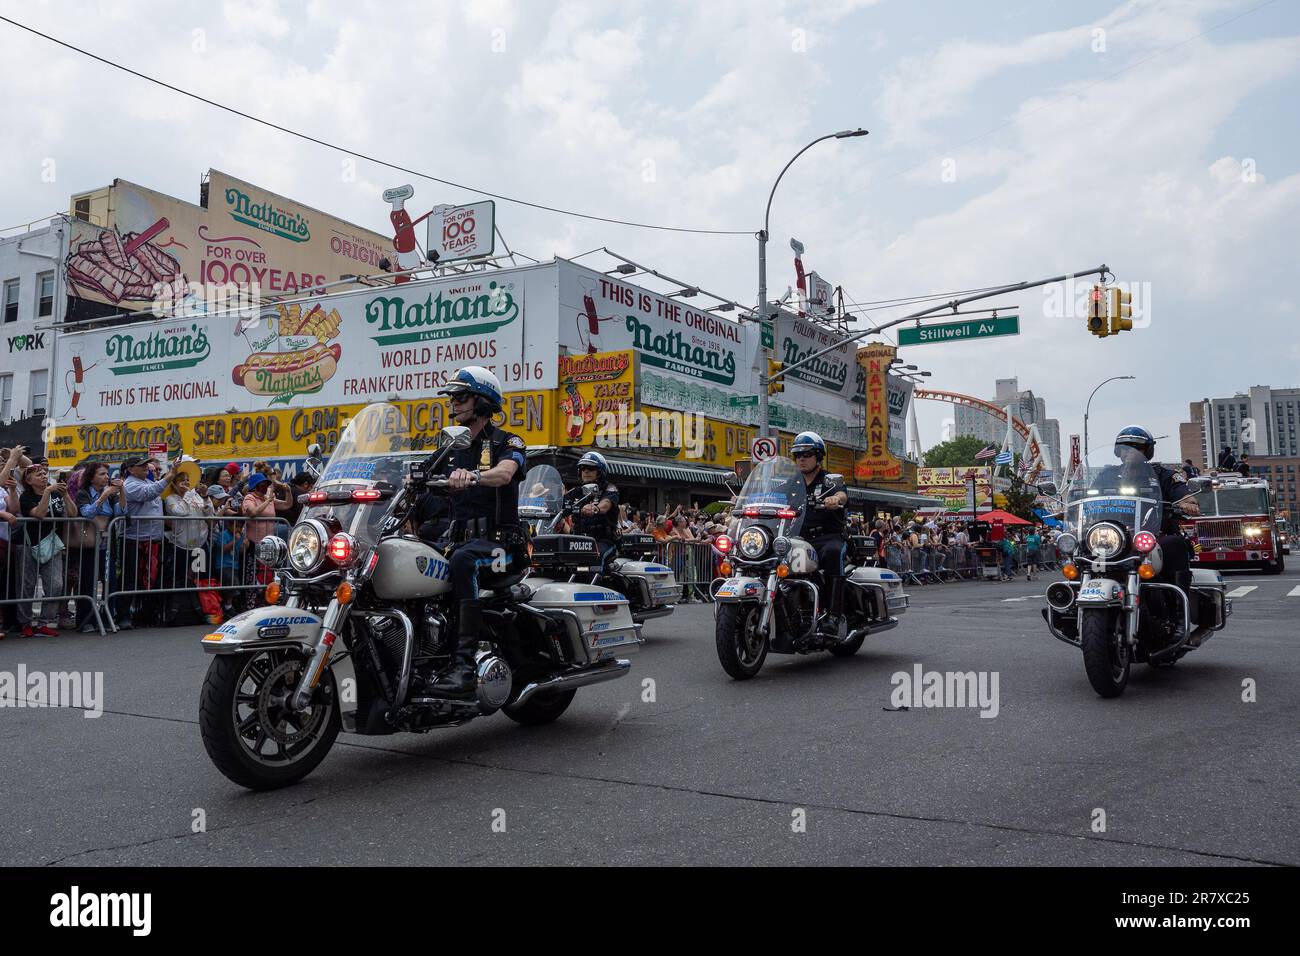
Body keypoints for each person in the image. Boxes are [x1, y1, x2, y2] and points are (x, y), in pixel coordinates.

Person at [426, 366, 528, 695]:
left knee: (463, 562)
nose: (453, 403)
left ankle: (464, 666)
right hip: (458, 543)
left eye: (461, 397)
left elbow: (504, 474)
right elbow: (418, 476)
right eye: (452, 397)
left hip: (503, 549)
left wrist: (473, 476)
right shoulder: (449, 448)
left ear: (482, 402)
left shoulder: (506, 442)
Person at [1113, 426, 1201, 636]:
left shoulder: (1163, 475)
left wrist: (1188, 503)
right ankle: (1070, 603)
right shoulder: (1108, 475)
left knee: (1176, 545)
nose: (1129, 452)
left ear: (1146, 451)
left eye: (1136, 447)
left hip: (1155, 536)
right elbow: (1087, 498)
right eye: (1125, 448)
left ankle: (1179, 615)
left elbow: (1186, 497)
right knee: (1081, 552)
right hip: (1116, 538)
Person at [790, 431, 849, 636]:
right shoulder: (792, 483)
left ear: (818, 456)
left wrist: (836, 500)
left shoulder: (829, 481)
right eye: (797, 455)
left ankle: (834, 615)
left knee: (833, 553)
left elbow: (842, 494)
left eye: (807, 454)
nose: (802, 459)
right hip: (798, 539)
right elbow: (772, 495)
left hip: (828, 537)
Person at [18, 463, 75, 636]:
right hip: (29, 544)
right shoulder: (26, 497)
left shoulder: (57, 494)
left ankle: (44, 622)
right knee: (27, 585)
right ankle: (25, 623)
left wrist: (65, 495)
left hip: (52, 544)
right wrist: (48, 493)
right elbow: (39, 514)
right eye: (38, 475)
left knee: (56, 584)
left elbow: (72, 513)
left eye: (44, 473)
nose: (43, 476)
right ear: (28, 480)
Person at [74, 461, 126, 633]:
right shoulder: (83, 493)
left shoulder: (110, 493)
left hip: (107, 545)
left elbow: (121, 512)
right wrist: (103, 496)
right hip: (89, 543)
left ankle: (107, 616)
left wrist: (121, 491)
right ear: (91, 477)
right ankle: (85, 619)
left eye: (107, 474)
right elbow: (86, 512)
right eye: (101, 474)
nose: (106, 477)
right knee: (88, 581)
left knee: (109, 581)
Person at [565, 451, 620, 571]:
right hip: (577, 541)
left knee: (595, 556)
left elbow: (606, 504)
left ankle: (596, 586)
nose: (586, 471)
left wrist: (596, 508)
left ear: (600, 472)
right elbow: (559, 503)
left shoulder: (609, 488)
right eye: (583, 468)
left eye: (591, 468)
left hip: (602, 540)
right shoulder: (576, 491)